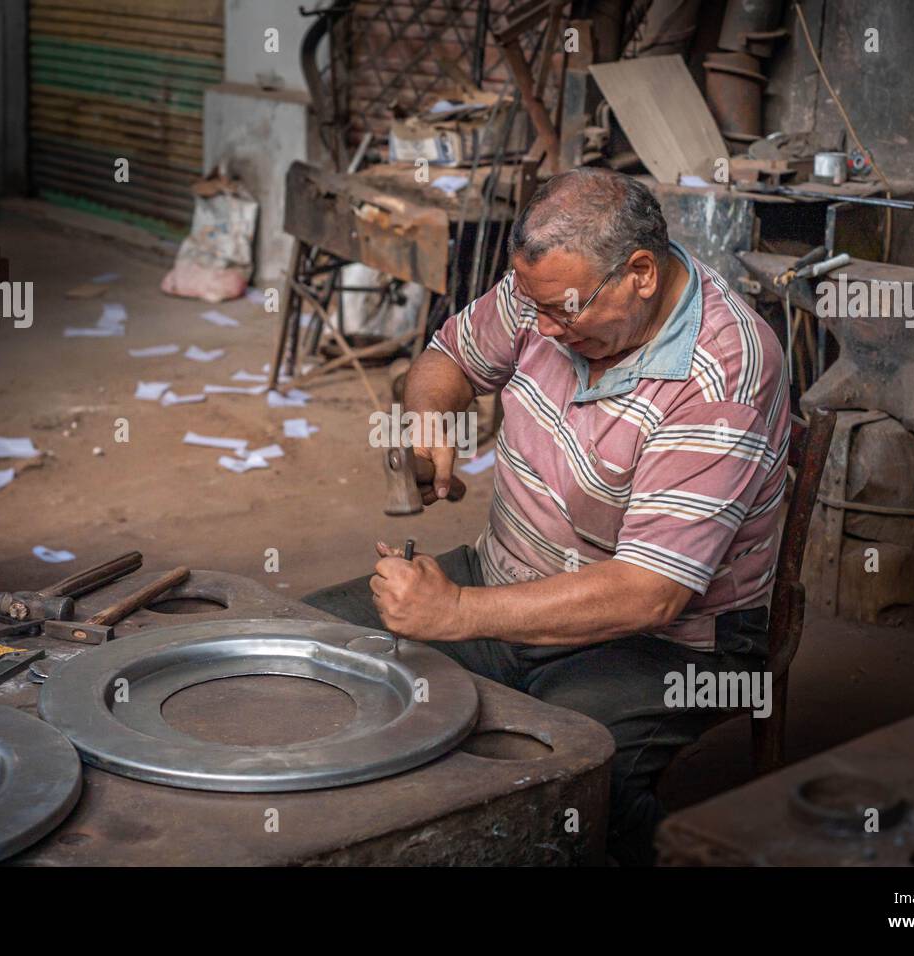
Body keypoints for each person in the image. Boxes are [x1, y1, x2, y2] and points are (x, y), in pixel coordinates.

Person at [304, 167, 789, 865]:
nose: (544, 331)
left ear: (642, 274)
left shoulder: (723, 376)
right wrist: (431, 417)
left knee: (568, 778)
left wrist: (458, 614)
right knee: (308, 649)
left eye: (566, 313)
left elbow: (651, 593)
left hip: (668, 641)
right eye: (536, 309)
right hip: (504, 575)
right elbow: (447, 357)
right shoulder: (546, 293)